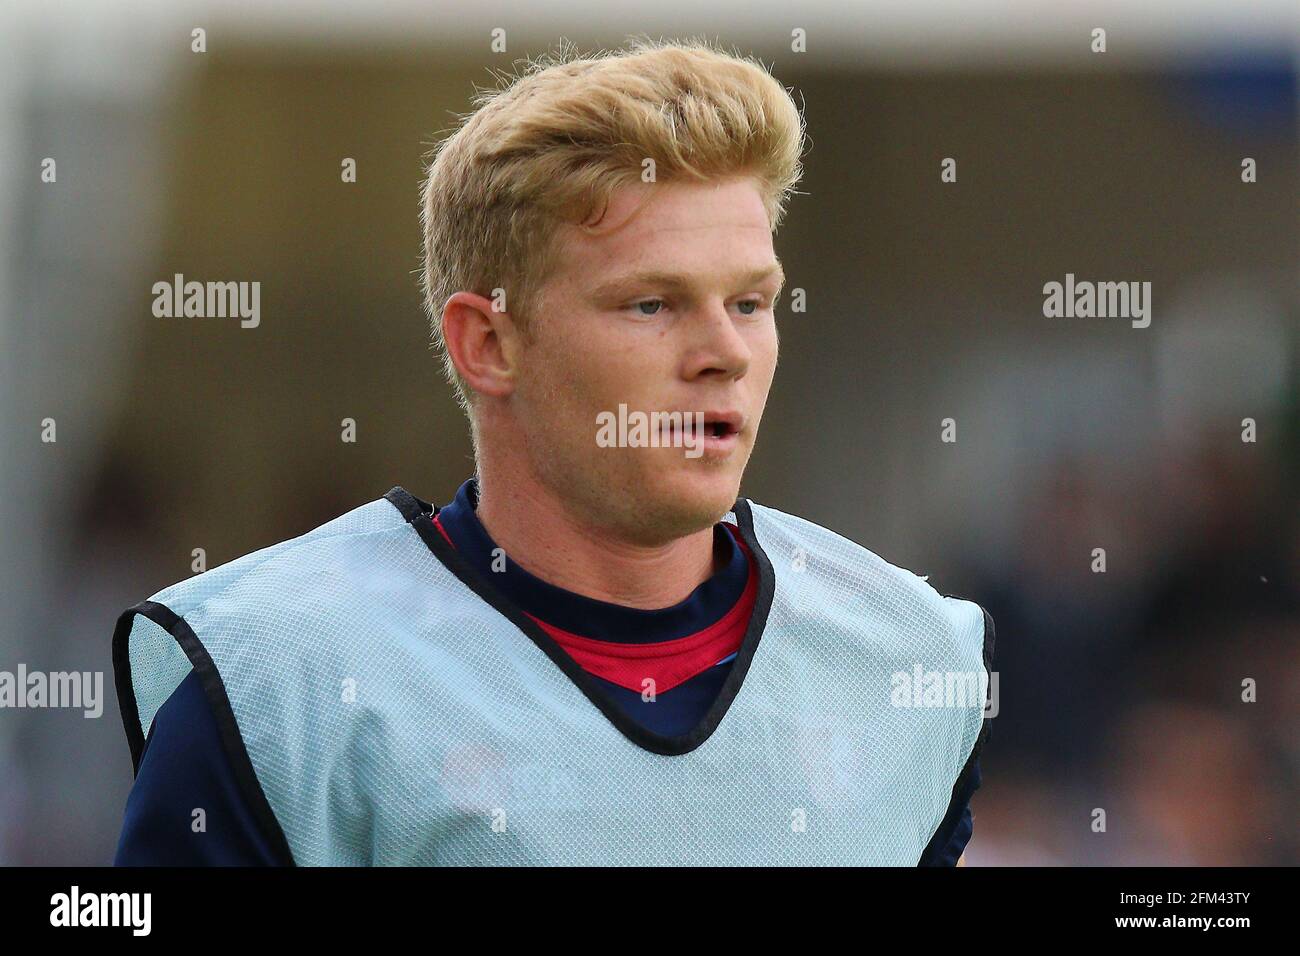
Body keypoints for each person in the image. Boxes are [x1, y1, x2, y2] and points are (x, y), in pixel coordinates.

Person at [113, 38, 992, 866]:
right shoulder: (275, 683)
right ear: (488, 344)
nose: (722, 350)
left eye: (751, 303)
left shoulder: (907, 664)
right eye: (652, 304)